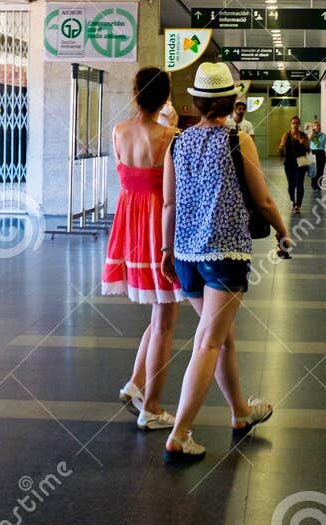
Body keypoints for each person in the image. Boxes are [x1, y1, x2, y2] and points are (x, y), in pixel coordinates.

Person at [160, 62, 290, 465]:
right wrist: (283, 231)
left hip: (186, 258)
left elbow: (169, 203)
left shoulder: (176, 143)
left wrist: (166, 251)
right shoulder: (238, 140)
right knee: (209, 341)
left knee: (222, 337)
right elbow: (264, 199)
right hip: (225, 256)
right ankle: (180, 433)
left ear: (195, 102)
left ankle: (240, 412)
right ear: (232, 100)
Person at [102, 66, 183, 431]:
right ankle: (151, 407)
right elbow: (171, 195)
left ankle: (135, 382)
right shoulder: (170, 136)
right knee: (165, 319)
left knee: (157, 313)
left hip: (129, 225)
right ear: (165, 97)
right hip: (158, 229)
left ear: (135, 92)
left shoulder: (118, 131)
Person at [278, 115, 311, 214]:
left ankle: (298, 206)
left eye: (297, 123)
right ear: (290, 124)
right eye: (293, 123)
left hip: (301, 164)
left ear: (299, 124)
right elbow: (281, 146)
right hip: (289, 163)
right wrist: (281, 148)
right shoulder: (286, 135)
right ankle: (293, 201)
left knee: (299, 184)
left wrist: (303, 143)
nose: (295, 125)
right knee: (291, 185)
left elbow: (308, 150)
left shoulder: (303, 135)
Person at [308, 120, 326, 189]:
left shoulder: (323, 135)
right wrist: (313, 132)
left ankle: (319, 184)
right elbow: (308, 140)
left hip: (321, 152)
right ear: (314, 127)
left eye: (319, 125)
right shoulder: (311, 134)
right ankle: (314, 184)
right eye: (316, 125)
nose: (318, 127)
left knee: (321, 170)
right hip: (313, 152)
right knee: (314, 169)